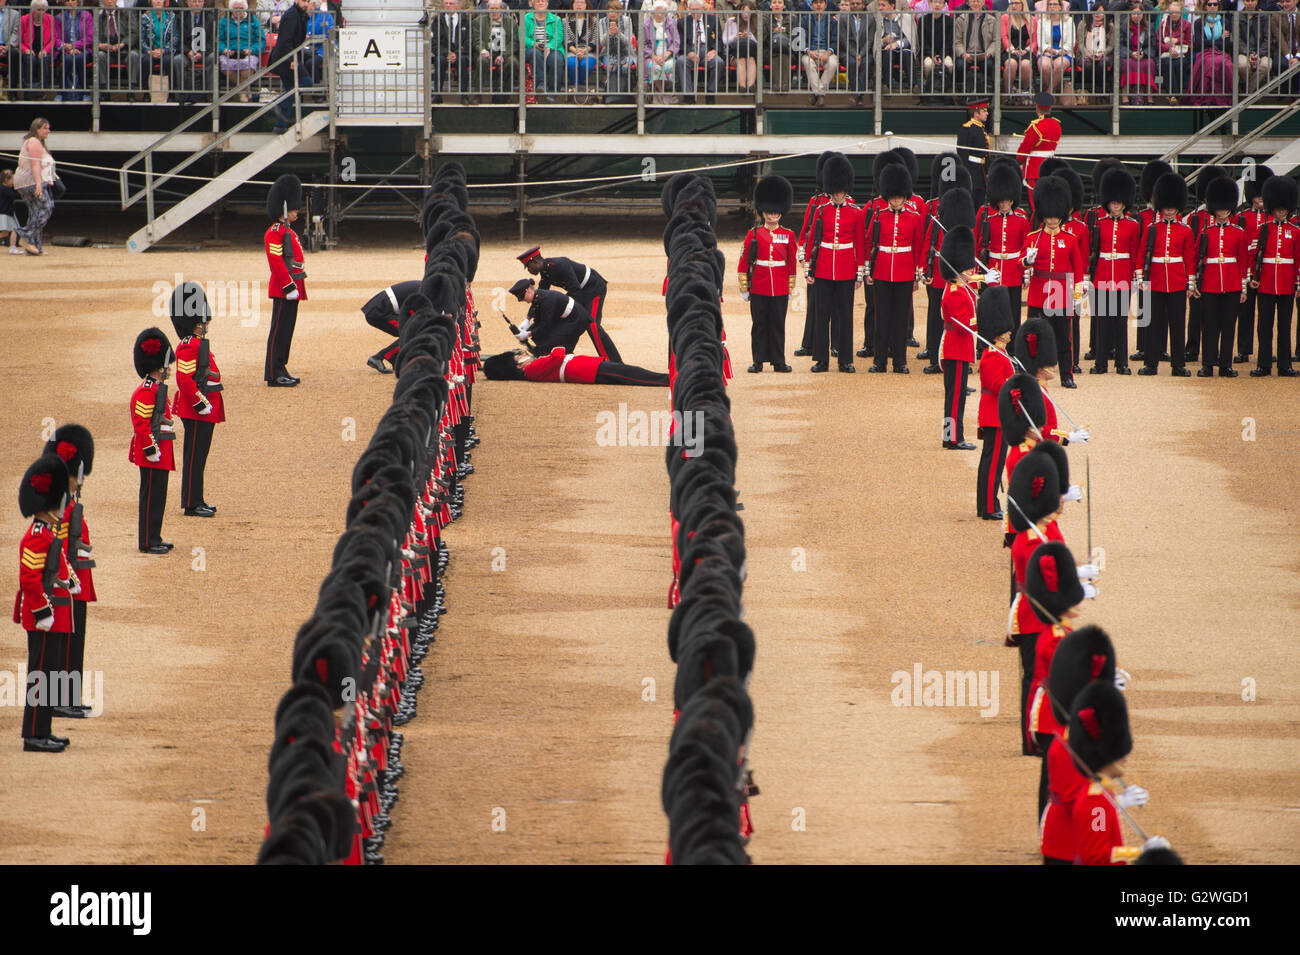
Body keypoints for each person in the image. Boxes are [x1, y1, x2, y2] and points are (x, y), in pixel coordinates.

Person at [15, 453, 75, 752]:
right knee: (39, 675)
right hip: (42, 616)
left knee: (50, 673)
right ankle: (33, 735)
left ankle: (44, 729)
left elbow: (55, 567)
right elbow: (29, 578)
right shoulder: (37, 535)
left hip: (51, 612)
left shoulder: (48, 532)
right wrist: (41, 612)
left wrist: (69, 581)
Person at [44, 425, 96, 719]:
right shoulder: (58, 506)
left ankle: (70, 696)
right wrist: (69, 578)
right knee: (64, 643)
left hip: (78, 577)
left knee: (75, 642)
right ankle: (61, 699)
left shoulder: (70, 500)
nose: (80, 482)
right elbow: (58, 546)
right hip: (67, 580)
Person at [1021, 176, 1085, 388]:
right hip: (1039, 291)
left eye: (1055, 216)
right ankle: (1032, 372)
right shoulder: (1033, 238)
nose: (1052, 220)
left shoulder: (1069, 239)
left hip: (1061, 293)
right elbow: (1020, 265)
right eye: (1048, 216)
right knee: (1033, 337)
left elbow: (1077, 269)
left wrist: (1076, 294)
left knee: (1063, 338)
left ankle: (1067, 374)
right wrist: (1027, 260)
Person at [805, 154, 864, 373]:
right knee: (822, 316)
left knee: (845, 316)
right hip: (823, 268)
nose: (838, 194)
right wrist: (809, 268)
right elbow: (813, 241)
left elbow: (859, 243)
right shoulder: (821, 210)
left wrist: (859, 273)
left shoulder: (855, 213)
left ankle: (845, 360)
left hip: (846, 269)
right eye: (835, 191)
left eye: (841, 191)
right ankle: (821, 359)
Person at [863, 161, 924, 373]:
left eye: (899, 196)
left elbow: (918, 247)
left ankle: (900, 362)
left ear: (904, 195)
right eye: (893, 196)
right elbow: (869, 241)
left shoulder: (915, 218)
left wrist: (917, 274)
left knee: (901, 319)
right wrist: (868, 270)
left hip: (905, 272)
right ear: (887, 195)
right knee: (882, 318)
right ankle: (879, 361)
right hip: (882, 271)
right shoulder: (879, 216)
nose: (896, 199)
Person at [172, 281, 224, 516]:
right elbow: (183, 380)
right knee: (194, 458)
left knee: (200, 457)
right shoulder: (187, 346)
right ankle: (191, 504)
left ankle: (197, 498)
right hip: (197, 409)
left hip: (204, 408)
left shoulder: (196, 343)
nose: (206, 325)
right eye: (202, 322)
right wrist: (201, 403)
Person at [518, 245, 621, 360]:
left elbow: (576, 290)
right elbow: (539, 296)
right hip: (579, 292)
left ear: (535, 261)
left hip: (594, 288)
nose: (529, 270)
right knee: (562, 320)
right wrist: (528, 318)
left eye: (528, 266)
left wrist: (568, 309)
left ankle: (613, 361)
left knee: (592, 325)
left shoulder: (560, 265)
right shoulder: (545, 272)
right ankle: (556, 354)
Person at [738, 175, 797, 373]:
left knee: (778, 325)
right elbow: (744, 261)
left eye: (776, 212)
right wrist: (745, 287)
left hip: (779, 285)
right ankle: (758, 361)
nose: (773, 215)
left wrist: (790, 288)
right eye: (769, 212)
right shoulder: (753, 234)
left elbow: (791, 265)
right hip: (760, 285)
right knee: (760, 325)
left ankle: (779, 361)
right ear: (763, 212)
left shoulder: (788, 235)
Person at [1138, 172, 1196, 376]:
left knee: (1177, 325)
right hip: (1155, 280)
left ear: (1178, 206)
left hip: (1177, 282)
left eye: (1172, 207)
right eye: (1166, 206)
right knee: (1153, 325)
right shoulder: (1152, 228)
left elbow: (1189, 258)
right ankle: (1150, 363)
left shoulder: (1185, 230)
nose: (1169, 210)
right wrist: (1140, 278)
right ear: (1161, 206)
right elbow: (1142, 252)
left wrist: (1190, 283)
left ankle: (1178, 364)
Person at [1194, 177, 1250, 377]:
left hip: (1232, 284)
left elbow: (1243, 262)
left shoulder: (1239, 233)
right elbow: (1198, 259)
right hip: (1210, 284)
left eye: (1226, 207)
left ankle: (1226, 364)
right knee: (1209, 326)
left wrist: (1243, 288)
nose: (1223, 211)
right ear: (1214, 208)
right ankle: (1208, 364)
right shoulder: (1205, 232)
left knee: (1228, 326)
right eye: (1219, 207)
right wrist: (1196, 283)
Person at [1088, 166, 1141, 374]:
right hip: (1102, 275)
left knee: (1120, 322)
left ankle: (1122, 363)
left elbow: (1135, 252)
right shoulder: (1099, 224)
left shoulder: (1133, 225)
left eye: (1119, 201)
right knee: (1102, 322)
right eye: (1113, 201)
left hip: (1123, 277)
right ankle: (1100, 363)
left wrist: (1136, 277)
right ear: (1107, 202)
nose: (1116, 205)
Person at [129, 327, 177, 554]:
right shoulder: (146, 391)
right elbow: (141, 424)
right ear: (159, 365)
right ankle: (147, 542)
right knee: (150, 498)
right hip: (152, 452)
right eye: (165, 365)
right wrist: (150, 449)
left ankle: (155, 537)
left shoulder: (156, 388)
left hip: (160, 448)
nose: (168, 369)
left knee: (159, 497)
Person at [1249, 175, 1300, 377]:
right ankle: (1264, 364)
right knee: (1264, 326)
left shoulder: (1295, 231)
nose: (1280, 212)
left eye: (1283, 208)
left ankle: (1285, 365)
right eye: (1278, 208)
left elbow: (1298, 260)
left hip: (1287, 283)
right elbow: (1253, 255)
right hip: (1266, 283)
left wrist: (1298, 284)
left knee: (1285, 326)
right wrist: (1253, 276)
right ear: (1272, 208)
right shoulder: (1263, 230)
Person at [938, 225, 981, 449]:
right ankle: (954, 438)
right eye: (967, 269)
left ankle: (949, 437)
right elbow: (964, 325)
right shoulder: (955, 292)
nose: (970, 272)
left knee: (954, 398)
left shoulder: (958, 286)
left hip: (959, 348)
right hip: (956, 348)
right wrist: (981, 321)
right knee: (955, 399)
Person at [976, 287, 1015, 517]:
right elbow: (998, 385)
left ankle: (987, 505)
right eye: (1007, 331)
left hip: (998, 414)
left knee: (992, 462)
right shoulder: (992, 355)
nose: (1010, 333)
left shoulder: (1000, 353)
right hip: (995, 415)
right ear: (999, 332)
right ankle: (989, 507)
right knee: (992, 464)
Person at [264, 173, 306, 387]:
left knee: (286, 330)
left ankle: (281, 367)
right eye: (293, 207)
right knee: (279, 330)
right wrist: (289, 286)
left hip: (293, 286)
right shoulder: (275, 232)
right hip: (284, 288)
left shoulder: (288, 231)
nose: (297, 210)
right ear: (283, 208)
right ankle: (273, 372)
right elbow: (276, 262)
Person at [978, 159, 1029, 331]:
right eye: (1001, 201)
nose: (1004, 204)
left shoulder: (1022, 220)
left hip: (1014, 270)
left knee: (1013, 312)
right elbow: (981, 245)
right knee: (993, 311)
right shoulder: (990, 220)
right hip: (994, 269)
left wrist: (1024, 271)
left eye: (1007, 200)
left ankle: (1013, 348)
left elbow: (1025, 247)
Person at [482, 346, 669, 385]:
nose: (523, 356)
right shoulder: (530, 370)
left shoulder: (531, 368)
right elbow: (557, 356)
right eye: (518, 357)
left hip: (586, 366)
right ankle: (664, 381)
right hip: (585, 371)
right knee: (630, 375)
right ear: (516, 366)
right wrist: (555, 348)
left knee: (630, 372)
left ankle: (664, 379)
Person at [1234, 166, 1271, 364]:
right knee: (1245, 314)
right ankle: (1244, 349)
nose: (1259, 199)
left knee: (1266, 316)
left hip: (1266, 272)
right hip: (1248, 272)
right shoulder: (1242, 218)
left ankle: (1266, 350)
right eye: (1256, 195)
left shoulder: (1272, 217)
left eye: (1262, 195)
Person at [507, 278, 602, 354]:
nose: (523, 300)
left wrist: (527, 334)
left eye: (522, 297)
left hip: (577, 319)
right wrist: (527, 325)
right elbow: (537, 315)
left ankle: (559, 358)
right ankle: (544, 354)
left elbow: (545, 325)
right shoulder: (538, 297)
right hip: (567, 318)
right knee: (539, 336)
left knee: (556, 344)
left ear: (528, 291)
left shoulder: (546, 300)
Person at [361, 279, 422, 373]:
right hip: (379, 311)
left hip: (379, 309)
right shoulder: (425, 292)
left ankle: (394, 359)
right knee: (414, 333)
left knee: (413, 331)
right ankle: (378, 357)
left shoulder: (426, 287)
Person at [13, 117, 53, 257]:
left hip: (26, 181)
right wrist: (38, 184)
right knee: (46, 207)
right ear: (37, 129)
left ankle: (34, 247)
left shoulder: (36, 142)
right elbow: (35, 164)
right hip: (30, 181)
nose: (48, 131)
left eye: (48, 128)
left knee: (35, 213)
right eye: (45, 128)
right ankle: (26, 234)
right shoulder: (34, 141)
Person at [268, 0, 309, 131]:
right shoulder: (292, 14)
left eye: (308, 1)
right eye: (304, 1)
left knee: (291, 89)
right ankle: (279, 103)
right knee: (306, 83)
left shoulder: (299, 14)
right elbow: (286, 39)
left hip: (285, 56)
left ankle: (280, 125)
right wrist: (292, 59)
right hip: (285, 58)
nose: (306, 4)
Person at [94, 0, 142, 101]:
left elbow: (134, 33)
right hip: (108, 51)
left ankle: (131, 91)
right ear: (103, 2)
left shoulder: (126, 13)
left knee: (134, 55)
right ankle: (104, 91)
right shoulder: (99, 17)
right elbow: (94, 36)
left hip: (125, 49)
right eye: (107, 0)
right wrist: (100, 44)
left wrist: (122, 44)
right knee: (100, 55)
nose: (110, 2)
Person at [1015, 92, 1060, 197]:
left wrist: (1018, 160)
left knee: (1036, 204)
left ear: (1037, 107)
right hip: (1050, 168)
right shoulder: (1056, 125)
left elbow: (1024, 149)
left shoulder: (1035, 126)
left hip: (1034, 171)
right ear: (1050, 107)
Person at [218, 0, 264, 102]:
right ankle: (245, 90)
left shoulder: (253, 20)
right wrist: (224, 49)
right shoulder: (224, 21)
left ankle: (241, 92)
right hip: (230, 52)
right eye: (235, 9)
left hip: (247, 52)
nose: (238, 11)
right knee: (225, 66)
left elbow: (261, 40)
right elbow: (219, 40)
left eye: (241, 9)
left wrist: (252, 50)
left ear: (245, 9)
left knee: (247, 69)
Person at [1189, 0, 1232, 104]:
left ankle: (1225, 96)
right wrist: (1219, 40)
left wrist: (1209, 42)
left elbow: (1226, 44)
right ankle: (1207, 97)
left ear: (1218, 6)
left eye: (1215, 4)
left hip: (1221, 53)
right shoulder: (1198, 23)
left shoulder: (1225, 22)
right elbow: (1199, 44)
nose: (1212, 6)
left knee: (1228, 65)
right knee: (1210, 63)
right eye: (1209, 4)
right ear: (1205, 7)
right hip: (1205, 53)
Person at [174, 0, 216, 104]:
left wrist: (201, 53)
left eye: (199, 1)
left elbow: (212, 41)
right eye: (193, 1)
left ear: (203, 3)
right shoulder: (181, 17)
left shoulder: (210, 18)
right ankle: (182, 92)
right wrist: (188, 51)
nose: (196, 4)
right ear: (187, 3)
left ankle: (210, 92)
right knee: (177, 60)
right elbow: (177, 39)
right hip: (187, 53)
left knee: (213, 57)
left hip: (204, 52)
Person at [430, 0, 470, 104]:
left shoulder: (465, 19)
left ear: (457, 6)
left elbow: (468, 40)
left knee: (462, 60)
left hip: (460, 53)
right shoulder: (438, 20)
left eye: (451, 3)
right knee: (440, 60)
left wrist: (456, 53)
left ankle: (464, 95)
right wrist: (446, 53)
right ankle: (437, 94)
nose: (448, 6)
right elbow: (434, 41)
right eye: (446, 3)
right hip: (444, 53)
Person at [1035, 0, 1075, 104]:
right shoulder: (1041, 21)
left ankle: (1049, 93)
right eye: (1050, 4)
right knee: (1044, 65)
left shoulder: (1069, 21)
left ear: (1060, 7)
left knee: (1058, 64)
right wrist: (1048, 50)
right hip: (1047, 51)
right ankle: (1056, 90)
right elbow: (1040, 41)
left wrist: (1062, 50)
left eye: (1055, 4)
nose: (1052, 7)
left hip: (1064, 52)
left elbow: (1071, 41)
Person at [799, 0, 839, 106]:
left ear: (825, 5)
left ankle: (816, 93)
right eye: (815, 2)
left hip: (827, 51)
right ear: (811, 5)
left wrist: (829, 52)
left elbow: (836, 41)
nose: (818, 5)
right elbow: (800, 39)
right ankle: (820, 95)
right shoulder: (805, 19)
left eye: (821, 2)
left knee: (833, 63)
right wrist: (808, 51)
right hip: (810, 51)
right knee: (808, 63)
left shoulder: (832, 21)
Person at [524, 0, 565, 101]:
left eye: (543, 1)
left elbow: (558, 37)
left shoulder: (556, 19)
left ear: (547, 4)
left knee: (556, 59)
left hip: (553, 48)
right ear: (533, 5)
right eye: (537, 1)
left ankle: (553, 93)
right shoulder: (526, 18)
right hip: (532, 48)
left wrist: (549, 47)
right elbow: (522, 37)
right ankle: (541, 85)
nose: (540, 3)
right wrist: (534, 44)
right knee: (535, 53)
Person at [595, 0, 635, 101]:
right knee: (611, 67)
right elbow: (602, 43)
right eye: (610, 11)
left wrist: (618, 34)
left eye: (615, 11)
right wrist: (608, 33)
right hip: (608, 53)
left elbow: (628, 42)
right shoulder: (602, 22)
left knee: (625, 68)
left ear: (620, 12)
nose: (612, 14)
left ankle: (626, 95)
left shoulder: (627, 20)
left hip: (626, 52)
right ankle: (610, 95)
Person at [955, 0, 998, 93]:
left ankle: (987, 91)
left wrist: (989, 53)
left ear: (983, 3)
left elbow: (996, 41)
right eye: (973, 1)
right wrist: (963, 54)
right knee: (959, 65)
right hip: (966, 54)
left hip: (984, 54)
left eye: (978, 1)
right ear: (969, 3)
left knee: (989, 65)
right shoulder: (960, 19)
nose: (976, 3)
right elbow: (957, 42)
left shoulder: (992, 20)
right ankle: (962, 92)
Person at [917, 0, 956, 101]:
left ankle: (946, 88)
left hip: (945, 53)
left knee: (949, 64)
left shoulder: (949, 21)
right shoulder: (923, 20)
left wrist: (941, 56)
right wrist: (932, 55)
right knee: (928, 64)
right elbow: (923, 42)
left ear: (944, 5)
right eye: (934, 2)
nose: (937, 5)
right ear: (930, 4)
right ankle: (930, 87)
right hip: (927, 53)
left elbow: (949, 42)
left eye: (940, 2)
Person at [1120, 1, 1158, 104]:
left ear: (1143, 15)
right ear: (1130, 14)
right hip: (1129, 55)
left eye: (1139, 14)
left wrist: (1144, 54)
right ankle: (1125, 96)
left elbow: (1152, 45)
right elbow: (1121, 44)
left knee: (1149, 64)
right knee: (1127, 64)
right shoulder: (1124, 26)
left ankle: (1149, 96)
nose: (1136, 16)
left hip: (1144, 55)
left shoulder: (1149, 27)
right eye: (1134, 14)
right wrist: (1130, 53)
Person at [19, 0, 59, 97]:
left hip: (44, 49)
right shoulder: (24, 19)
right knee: (29, 58)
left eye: (43, 9)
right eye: (38, 9)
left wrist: (46, 50)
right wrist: (25, 49)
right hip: (29, 50)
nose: (41, 12)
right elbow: (19, 41)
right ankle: (29, 91)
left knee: (44, 59)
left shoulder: (51, 19)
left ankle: (42, 90)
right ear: (33, 10)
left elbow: (53, 39)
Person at [140, 0, 178, 102]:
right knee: (145, 61)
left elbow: (174, 37)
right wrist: (148, 51)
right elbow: (141, 38)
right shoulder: (145, 17)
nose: (158, 1)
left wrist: (164, 50)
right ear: (150, 2)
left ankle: (172, 94)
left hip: (165, 51)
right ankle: (146, 93)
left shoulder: (172, 16)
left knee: (169, 61)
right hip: (150, 51)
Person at [956, 98, 992, 205]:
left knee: (980, 201)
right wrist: (967, 173)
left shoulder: (981, 128)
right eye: (984, 111)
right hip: (972, 171)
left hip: (981, 171)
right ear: (976, 113)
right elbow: (962, 153)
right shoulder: (967, 129)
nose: (987, 113)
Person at [640, 1, 679, 101]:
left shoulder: (671, 23)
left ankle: (663, 92)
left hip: (668, 55)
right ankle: (661, 92)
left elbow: (676, 42)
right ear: (653, 12)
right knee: (655, 68)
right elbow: (643, 44)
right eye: (657, 12)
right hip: (651, 56)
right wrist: (654, 57)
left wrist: (667, 55)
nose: (660, 14)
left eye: (662, 12)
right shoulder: (646, 24)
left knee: (669, 66)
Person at [55, 0, 92, 102]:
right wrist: (67, 47)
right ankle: (61, 92)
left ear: (78, 2)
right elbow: (56, 39)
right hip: (65, 50)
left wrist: (75, 46)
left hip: (83, 49)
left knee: (79, 58)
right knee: (67, 60)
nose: (71, 3)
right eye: (68, 0)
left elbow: (89, 38)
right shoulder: (59, 17)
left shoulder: (87, 16)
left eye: (73, 0)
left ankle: (85, 91)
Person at [1155, 0, 1192, 101]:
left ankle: (1172, 95)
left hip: (1182, 55)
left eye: (1177, 12)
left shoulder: (1187, 25)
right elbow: (1158, 44)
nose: (1174, 14)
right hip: (1166, 54)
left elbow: (1189, 43)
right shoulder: (1162, 25)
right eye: (1172, 12)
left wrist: (1177, 41)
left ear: (1181, 12)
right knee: (1167, 64)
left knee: (1178, 64)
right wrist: (1170, 49)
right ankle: (1176, 96)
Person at [878, 0, 917, 94]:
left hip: (903, 49)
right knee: (887, 53)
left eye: (883, 5)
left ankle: (914, 85)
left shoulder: (906, 18)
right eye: (879, 5)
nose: (880, 8)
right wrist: (883, 41)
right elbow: (875, 42)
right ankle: (886, 85)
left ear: (892, 6)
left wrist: (897, 44)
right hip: (887, 50)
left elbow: (911, 38)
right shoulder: (878, 20)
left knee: (907, 53)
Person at [1076, 5, 1113, 103]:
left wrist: (1102, 53)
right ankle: (1096, 90)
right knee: (1087, 64)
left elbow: (1111, 45)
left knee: (1102, 63)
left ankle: (1098, 90)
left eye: (1100, 11)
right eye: (1095, 11)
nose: (1097, 14)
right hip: (1085, 54)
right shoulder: (1083, 24)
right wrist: (1088, 54)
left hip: (1103, 54)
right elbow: (1080, 44)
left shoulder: (1110, 26)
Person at [722, 0, 759, 94]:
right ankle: (742, 86)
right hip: (734, 54)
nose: (746, 14)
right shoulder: (731, 21)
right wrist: (734, 37)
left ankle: (751, 86)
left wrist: (751, 36)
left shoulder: (756, 22)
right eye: (743, 12)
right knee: (741, 59)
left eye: (748, 12)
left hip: (751, 53)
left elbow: (759, 43)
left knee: (750, 59)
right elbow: (724, 41)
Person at [1001, 0, 1034, 102]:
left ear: (1023, 5)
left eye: (1017, 3)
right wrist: (1012, 49)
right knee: (1011, 64)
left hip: (1026, 50)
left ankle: (1025, 92)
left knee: (1025, 65)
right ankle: (1008, 94)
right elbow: (1004, 36)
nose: (1014, 6)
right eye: (1012, 3)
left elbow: (1035, 40)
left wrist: (1027, 50)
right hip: (1009, 50)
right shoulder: (1005, 18)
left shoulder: (1032, 19)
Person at [565, 0, 599, 99]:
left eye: (581, 2)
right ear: (572, 5)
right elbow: (567, 40)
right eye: (576, 2)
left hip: (588, 50)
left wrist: (584, 51)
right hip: (572, 50)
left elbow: (594, 40)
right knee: (571, 63)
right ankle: (580, 90)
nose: (579, 5)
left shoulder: (594, 20)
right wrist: (576, 51)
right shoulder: (565, 21)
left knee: (586, 64)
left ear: (586, 5)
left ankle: (576, 89)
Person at [1234, 0, 1270, 93]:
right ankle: (1252, 91)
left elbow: (1268, 39)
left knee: (1266, 65)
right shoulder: (1237, 16)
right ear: (1243, 2)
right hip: (1243, 52)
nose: (1250, 3)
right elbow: (1236, 39)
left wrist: (1259, 54)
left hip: (1261, 52)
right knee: (1242, 65)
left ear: (1257, 1)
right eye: (1247, 0)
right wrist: (1248, 53)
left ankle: (1247, 92)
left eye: (1252, 0)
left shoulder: (1264, 16)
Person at [1274, 0, 1300, 96]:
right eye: (1282, 1)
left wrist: (1297, 57)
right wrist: (1290, 57)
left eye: (1288, 1)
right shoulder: (1276, 16)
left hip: (1298, 51)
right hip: (1283, 51)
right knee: (1281, 65)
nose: (1284, 4)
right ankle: (1285, 94)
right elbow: (1279, 38)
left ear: (1296, 1)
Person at [0, 168, 21, 254]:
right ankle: (12, 248)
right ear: (6, 180)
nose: (13, 182)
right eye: (12, 180)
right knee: (13, 230)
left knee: (6, 233)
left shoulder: (4, 189)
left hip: (8, 212)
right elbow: (15, 196)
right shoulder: (4, 189)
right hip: (5, 213)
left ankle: (13, 248)